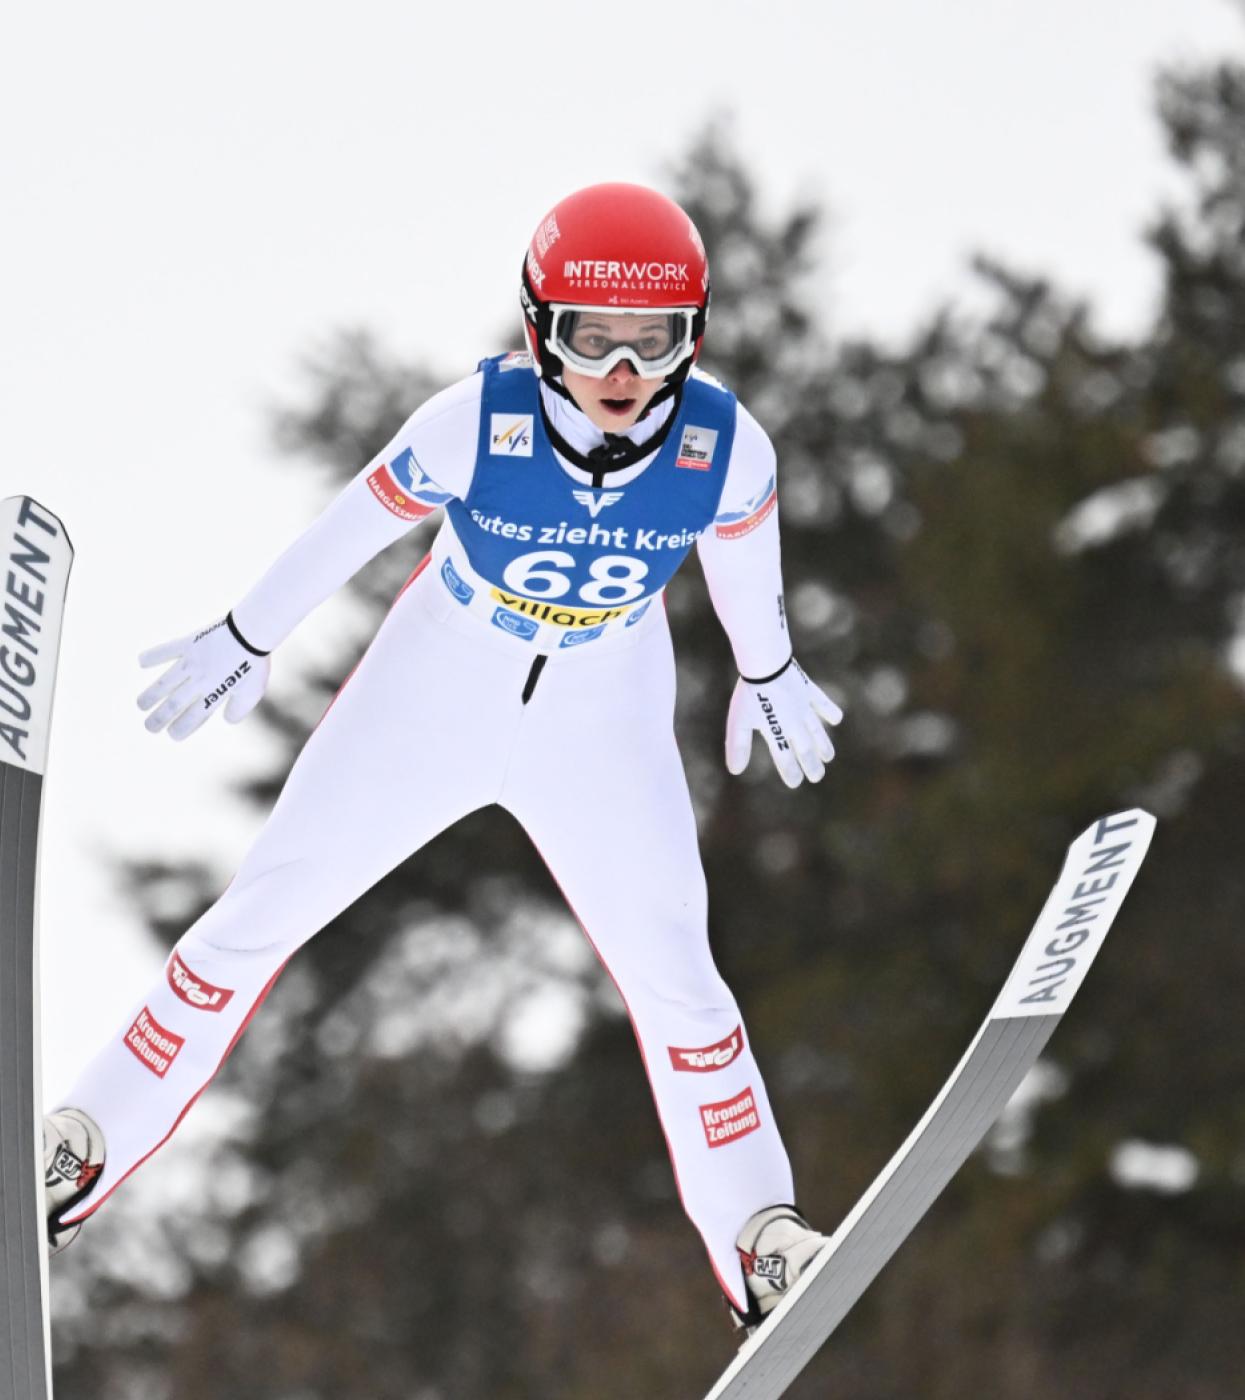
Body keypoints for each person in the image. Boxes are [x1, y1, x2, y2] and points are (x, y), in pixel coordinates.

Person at [43, 182, 843, 1334]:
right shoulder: (474, 420)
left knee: (678, 974)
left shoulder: (723, 443)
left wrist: (766, 668)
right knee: (263, 907)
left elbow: (740, 563)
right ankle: (83, 1141)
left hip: (600, 710)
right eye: (590, 339)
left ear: (693, 335)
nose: (621, 375)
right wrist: (247, 632)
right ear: (537, 328)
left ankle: (762, 1240)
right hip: (440, 683)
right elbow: (350, 526)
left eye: (652, 341)